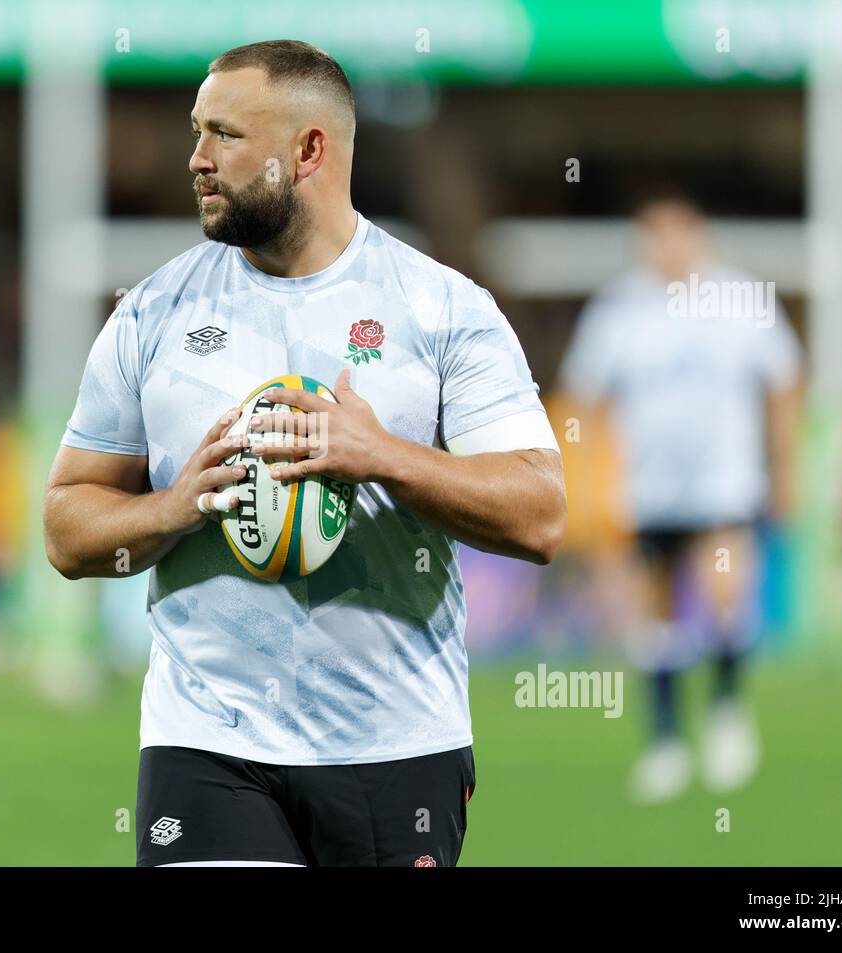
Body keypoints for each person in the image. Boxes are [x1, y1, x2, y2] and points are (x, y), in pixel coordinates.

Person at [43, 40, 566, 866]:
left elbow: (540, 515)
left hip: (394, 744)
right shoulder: (152, 315)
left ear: (309, 150)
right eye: (196, 131)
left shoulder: (441, 310)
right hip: (206, 743)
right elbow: (67, 528)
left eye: (225, 135)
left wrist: (383, 456)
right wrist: (172, 508)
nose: (197, 159)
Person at [559, 191, 802, 803]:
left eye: (677, 233)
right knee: (657, 617)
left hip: (726, 482)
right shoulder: (620, 309)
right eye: (654, 235)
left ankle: (725, 712)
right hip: (650, 490)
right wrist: (584, 484)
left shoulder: (740, 299)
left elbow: (783, 382)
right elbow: (583, 397)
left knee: (726, 597)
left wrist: (784, 466)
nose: (666, 247)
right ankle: (666, 740)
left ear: (699, 235)